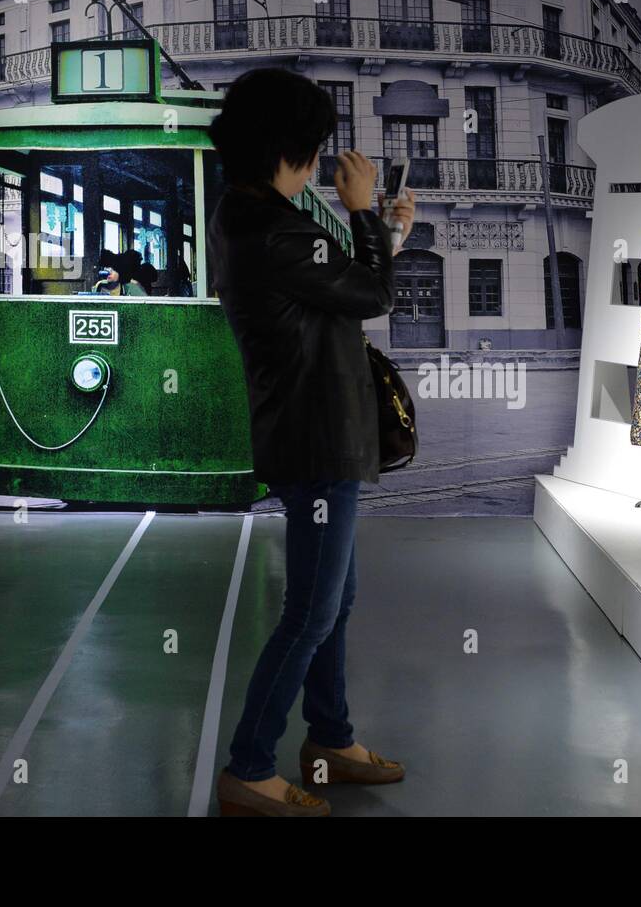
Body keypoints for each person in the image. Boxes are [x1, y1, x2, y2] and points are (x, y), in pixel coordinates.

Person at [208, 68, 416, 817]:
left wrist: (382, 234)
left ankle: (330, 738)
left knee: (335, 600)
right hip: (317, 436)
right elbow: (371, 296)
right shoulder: (272, 226)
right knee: (310, 611)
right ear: (284, 146)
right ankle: (249, 766)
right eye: (312, 148)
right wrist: (363, 217)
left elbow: (348, 287)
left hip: (314, 430)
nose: (318, 163)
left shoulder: (254, 216)